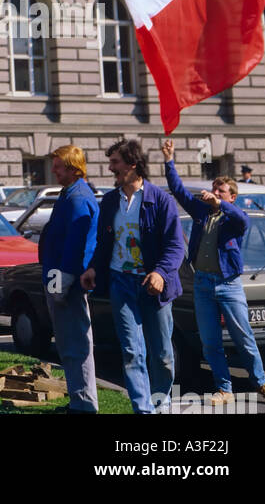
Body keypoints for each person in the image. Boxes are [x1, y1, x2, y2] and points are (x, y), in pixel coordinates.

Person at [163, 140, 265, 406]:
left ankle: (261, 384)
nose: (215, 191)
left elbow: (243, 221)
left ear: (231, 196)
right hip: (203, 284)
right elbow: (178, 191)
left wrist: (220, 204)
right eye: (214, 187)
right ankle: (223, 388)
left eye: (221, 189)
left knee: (244, 337)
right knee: (210, 341)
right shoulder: (202, 212)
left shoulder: (233, 217)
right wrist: (169, 161)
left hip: (228, 285)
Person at [81, 138, 184, 415]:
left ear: (133, 165)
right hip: (121, 283)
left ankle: (161, 404)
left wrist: (161, 273)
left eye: (115, 162)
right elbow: (104, 245)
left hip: (154, 287)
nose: (110, 167)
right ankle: (143, 409)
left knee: (162, 355)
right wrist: (93, 268)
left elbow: (176, 246)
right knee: (131, 351)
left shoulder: (160, 200)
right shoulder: (110, 202)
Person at [38, 144, 100, 414]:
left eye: (58, 166)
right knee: (67, 342)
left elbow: (77, 246)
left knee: (74, 343)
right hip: (58, 275)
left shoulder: (77, 197)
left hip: (64, 278)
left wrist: (60, 285)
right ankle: (79, 401)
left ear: (74, 168)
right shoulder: (71, 193)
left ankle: (83, 405)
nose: (53, 171)